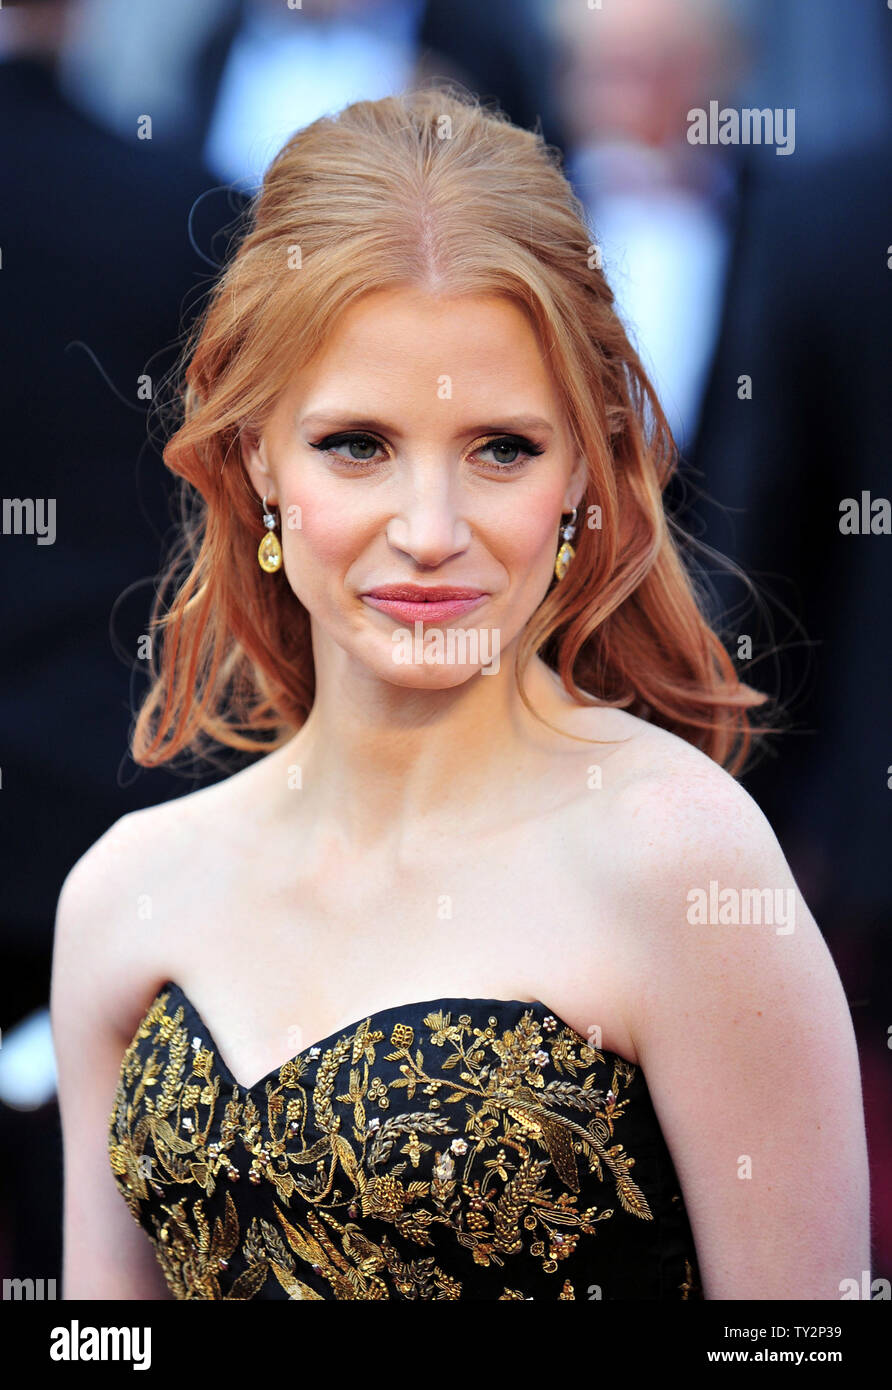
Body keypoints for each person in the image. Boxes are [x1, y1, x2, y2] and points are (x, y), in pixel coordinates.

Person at [50, 87, 870, 1301]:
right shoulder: (129, 890)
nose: (430, 533)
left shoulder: (682, 863)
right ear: (254, 453)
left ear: (586, 467)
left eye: (502, 448)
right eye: (357, 445)